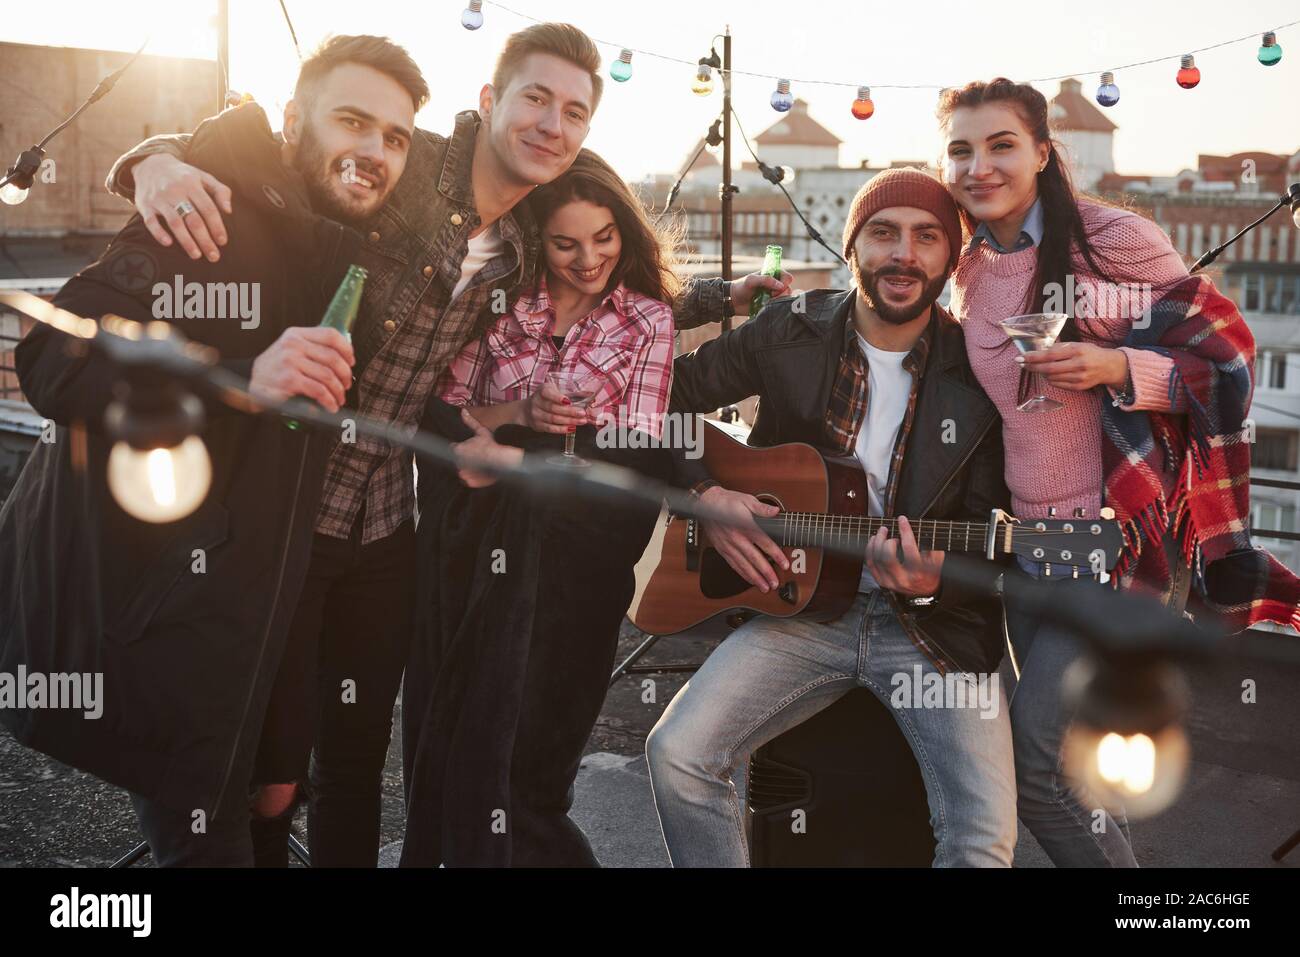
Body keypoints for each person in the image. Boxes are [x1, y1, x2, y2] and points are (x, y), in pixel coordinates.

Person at [101, 22, 788, 866]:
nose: (552, 124)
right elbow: (282, 148)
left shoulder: (532, 230)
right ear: (490, 99)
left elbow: (614, 289)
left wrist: (727, 294)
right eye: (535, 98)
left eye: (574, 111)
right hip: (292, 509)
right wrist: (155, 159)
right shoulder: (407, 166)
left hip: (389, 524)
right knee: (261, 768)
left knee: (359, 760)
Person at [0, 34, 424, 867]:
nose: (374, 149)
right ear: (294, 119)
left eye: (395, 136)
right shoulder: (205, 208)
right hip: (168, 620)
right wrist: (241, 379)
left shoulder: (331, 239)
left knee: (272, 798)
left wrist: (150, 154)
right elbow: (54, 355)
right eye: (351, 121)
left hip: (261, 612)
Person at [939, 77, 1300, 868]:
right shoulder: (967, 271)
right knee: (1078, 770)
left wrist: (1117, 366)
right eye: (961, 150)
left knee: (1036, 772)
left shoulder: (1114, 237)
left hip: (1119, 543)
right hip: (1028, 549)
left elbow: (1227, 364)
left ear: (1042, 152)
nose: (979, 166)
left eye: (1002, 145)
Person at [644, 168, 1019, 867]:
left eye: (927, 237)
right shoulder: (788, 329)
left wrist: (935, 581)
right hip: (805, 614)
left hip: (933, 634)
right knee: (677, 753)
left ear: (951, 258)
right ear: (852, 247)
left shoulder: (981, 371)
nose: (903, 254)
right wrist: (703, 493)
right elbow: (660, 397)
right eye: (883, 233)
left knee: (984, 834)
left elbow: (994, 532)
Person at [402, 149, 678, 866]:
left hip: (578, 569)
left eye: (604, 237)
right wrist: (523, 412)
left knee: (531, 779)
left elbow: (636, 453)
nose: (589, 260)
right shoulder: (501, 303)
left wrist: (521, 457)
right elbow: (446, 413)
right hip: (474, 556)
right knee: (454, 758)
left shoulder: (648, 320)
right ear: (538, 240)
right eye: (565, 243)